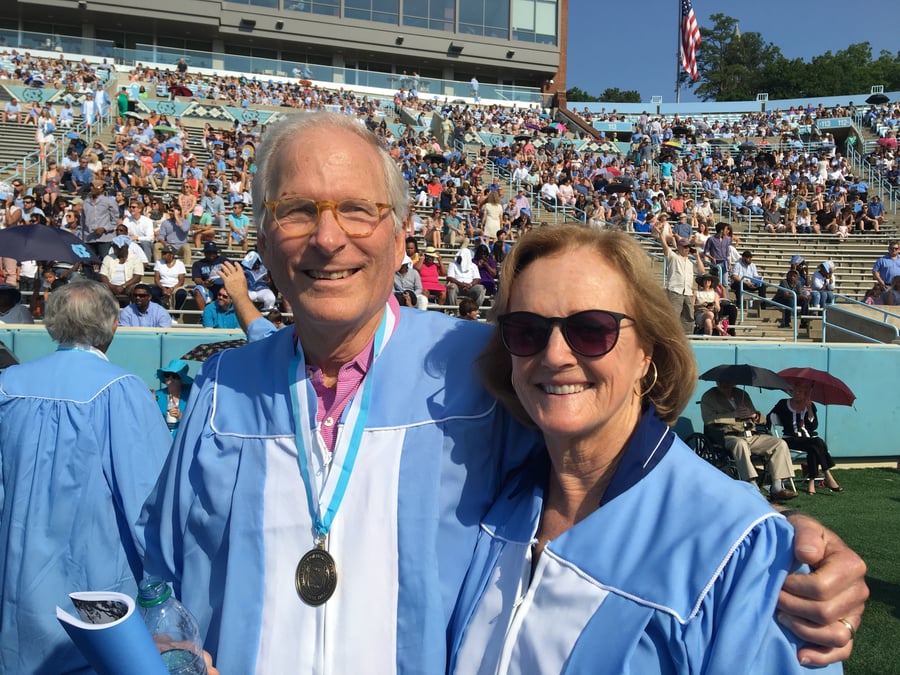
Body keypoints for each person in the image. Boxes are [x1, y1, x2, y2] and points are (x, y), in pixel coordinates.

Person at [139, 112, 866, 674]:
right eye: (297, 210)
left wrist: (773, 536)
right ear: (263, 236)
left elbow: (620, 470)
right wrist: (170, 650)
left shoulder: (468, 369)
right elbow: (158, 576)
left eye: (358, 209)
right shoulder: (222, 392)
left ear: (401, 236)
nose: (328, 238)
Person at [448, 226, 842, 675]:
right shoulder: (495, 502)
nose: (555, 355)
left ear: (645, 353)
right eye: (526, 331)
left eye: (591, 330)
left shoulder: (746, 556)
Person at [0, 280, 171, 674]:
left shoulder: (9, 385)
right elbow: (151, 503)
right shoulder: (121, 390)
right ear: (113, 326)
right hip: (94, 595)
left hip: (15, 586)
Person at [701, 380, 798, 501]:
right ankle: (752, 486)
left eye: (727, 381)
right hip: (728, 436)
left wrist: (754, 415)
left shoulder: (741, 394)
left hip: (750, 434)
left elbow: (761, 419)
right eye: (721, 380)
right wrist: (733, 415)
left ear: (733, 381)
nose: (724, 383)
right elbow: (708, 419)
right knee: (740, 444)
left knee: (779, 444)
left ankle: (777, 488)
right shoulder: (709, 397)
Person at [769, 382, 842, 496]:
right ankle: (827, 474)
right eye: (795, 391)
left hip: (807, 440)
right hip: (791, 439)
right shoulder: (783, 403)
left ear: (806, 394)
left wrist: (809, 409)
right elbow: (770, 417)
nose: (797, 393)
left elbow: (813, 426)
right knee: (818, 442)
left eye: (801, 392)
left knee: (814, 448)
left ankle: (811, 482)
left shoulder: (810, 406)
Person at [99, 234, 144, 299]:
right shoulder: (108, 258)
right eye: (113, 247)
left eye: (116, 247)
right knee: (98, 289)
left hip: (128, 286)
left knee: (135, 289)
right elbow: (103, 275)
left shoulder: (135, 258)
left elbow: (137, 277)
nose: (114, 249)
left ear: (125, 248)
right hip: (110, 285)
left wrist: (123, 286)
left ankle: (133, 305)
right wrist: (111, 286)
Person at [155, 358, 193, 435]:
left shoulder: (191, 396)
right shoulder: (157, 395)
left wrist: (180, 416)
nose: (170, 378)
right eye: (167, 375)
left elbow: (196, 422)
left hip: (182, 437)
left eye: (175, 376)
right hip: (162, 438)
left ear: (182, 379)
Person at [151, 244, 188, 310]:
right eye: (162, 252)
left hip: (175, 286)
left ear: (171, 254)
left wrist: (171, 289)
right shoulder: (158, 262)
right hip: (162, 286)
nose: (162, 254)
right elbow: (156, 279)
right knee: (152, 292)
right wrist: (163, 288)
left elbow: (181, 281)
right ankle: (160, 310)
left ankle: (176, 313)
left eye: (165, 253)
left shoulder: (180, 264)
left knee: (181, 294)